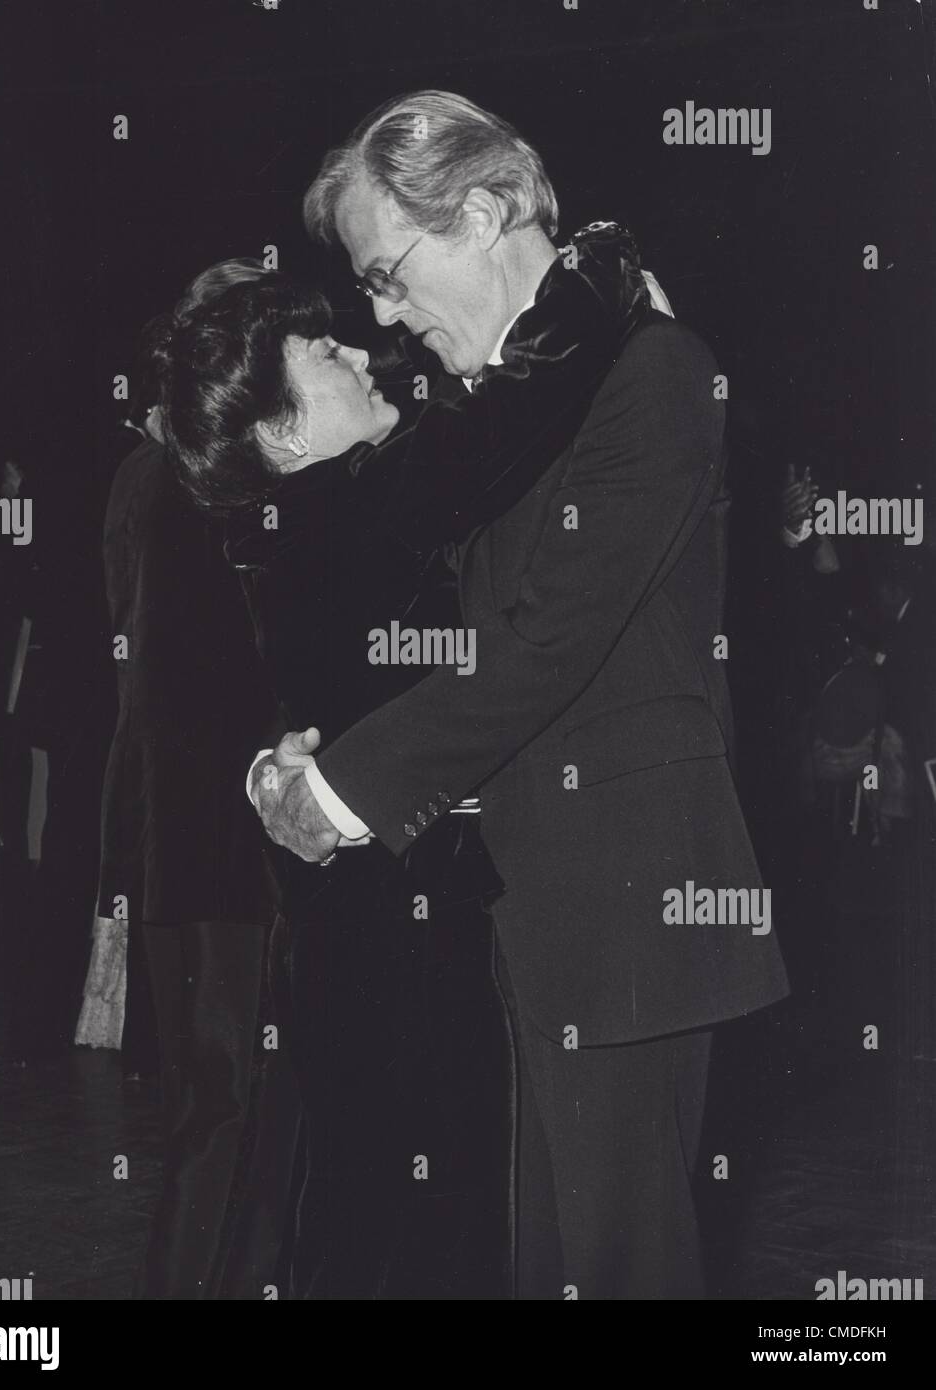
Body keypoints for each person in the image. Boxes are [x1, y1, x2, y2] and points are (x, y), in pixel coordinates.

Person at [250, 90, 790, 1299]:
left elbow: (547, 643)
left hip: (632, 907)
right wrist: (294, 750)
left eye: (386, 275)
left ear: (484, 211)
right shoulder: (508, 414)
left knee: (619, 1268)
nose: (381, 315)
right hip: (544, 911)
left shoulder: (654, 373)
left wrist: (342, 792)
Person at [162, 229, 649, 1297]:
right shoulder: (350, 504)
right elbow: (509, 416)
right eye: (325, 359)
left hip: (356, 908)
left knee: (362, 1193)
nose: (363, 356)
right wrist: (595, 278)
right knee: (419, 1203)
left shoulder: (285, 523)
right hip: (398, 920)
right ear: (281, 432)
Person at [94, 262, 284, 1298]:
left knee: (210, 1103)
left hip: (174, 829)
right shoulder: (200, 484)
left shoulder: (151, 475)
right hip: (216, 834)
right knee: (223, 1103)